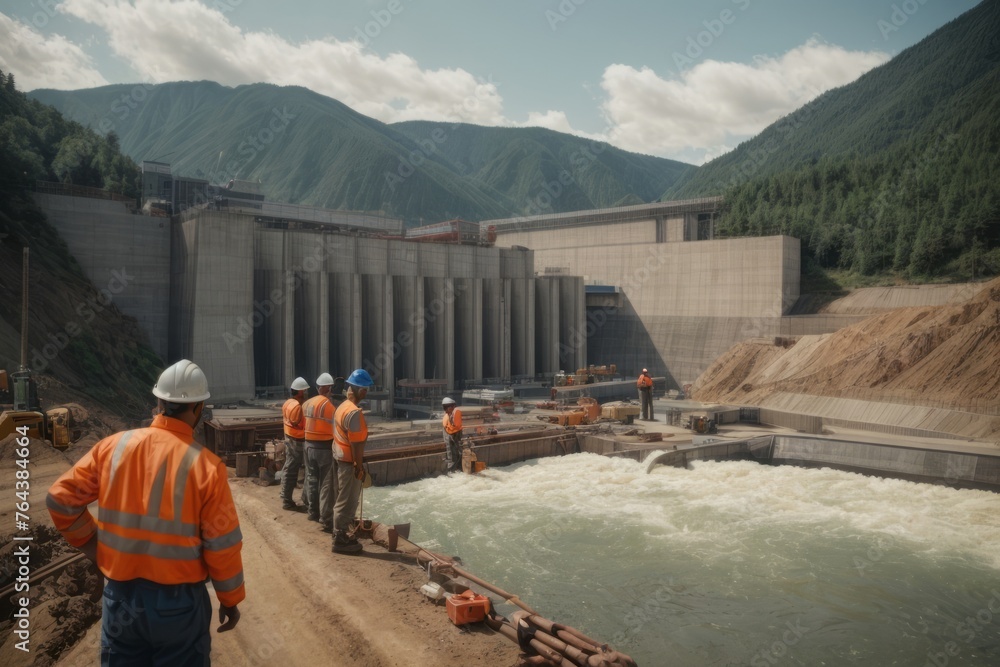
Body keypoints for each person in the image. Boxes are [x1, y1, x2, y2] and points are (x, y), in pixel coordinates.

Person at [46, 359, 244, 665]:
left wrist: (95, 547)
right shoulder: (206, 466)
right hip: (179, 604)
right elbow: (222, 545)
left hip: (121, 597)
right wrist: (229, 599)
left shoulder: (113, 447)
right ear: (198, 408)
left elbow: (60, 499)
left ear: (159, 402)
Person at [331, 368, 374, 554]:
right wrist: (358, 467)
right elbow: (356, 445)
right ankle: (339, 538)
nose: (366, 393)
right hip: (349, 461)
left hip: (340, 457)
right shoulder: (354, 413)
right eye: (365, 389)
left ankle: (341, 532)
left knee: (343, 497)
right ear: (361, 390)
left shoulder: (342, 406)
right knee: (347, 500)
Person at [302, 373, 336, 531]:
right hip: (324, 448)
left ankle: (312, 512)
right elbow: (336, 428)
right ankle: (325, 518)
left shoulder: (307, 403)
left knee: (312, 479)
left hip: (308, 446)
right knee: (326, 484)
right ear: (328, 388)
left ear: (317, 387)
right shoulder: (329, 406)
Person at [279, 377, 310, 512]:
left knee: (289, 467)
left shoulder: (287, 403)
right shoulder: (297, 407)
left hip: (289, 437)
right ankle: (287, 501)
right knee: (294, 470)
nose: (307, 393)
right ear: (300, 391)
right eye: (305, 391)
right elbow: (297, 422)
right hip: (297, 440)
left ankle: (285, 496)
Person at [441, 396, 463, 472]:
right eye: (448, 407)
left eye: (451, 407)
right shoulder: (446, 417)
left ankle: (458, 469)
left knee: (459, 453)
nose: (450, 409)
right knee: (451, 456)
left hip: (455, 435)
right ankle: (451, 471)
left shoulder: (456, 413)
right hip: (450, 436)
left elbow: (457, 426)